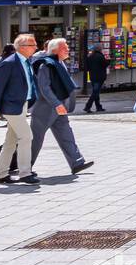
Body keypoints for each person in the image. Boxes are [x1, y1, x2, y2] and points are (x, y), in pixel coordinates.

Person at [27, 38, 92, 176]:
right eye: (65, 47)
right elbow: (44, 88)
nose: (68, 49)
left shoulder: (58, 63)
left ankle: (77, 163)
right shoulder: (46, 65)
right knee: (36, 139)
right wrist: (57, 104)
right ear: (55, 50)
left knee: (66, 134)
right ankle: (25, 167)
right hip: (45, 109)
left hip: (58, 107)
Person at [0, 33, 41, 184]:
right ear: (23, 47)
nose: (35, 47)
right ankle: (25, 173)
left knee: (10, 142)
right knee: (26, 137)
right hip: (11, 107)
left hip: (22, 105)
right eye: (33, 45)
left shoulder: (26, 61)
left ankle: (1, 174)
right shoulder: (9, 62)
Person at [83, 46, 109, 113]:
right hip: (100, 77)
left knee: (96, 92)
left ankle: (98, 107)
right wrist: (108, 60)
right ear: (99, 49)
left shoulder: (90, 56)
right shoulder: (100, 56)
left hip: (92, 76)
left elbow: (87, 67)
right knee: (95, 92)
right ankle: (87, 106)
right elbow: (105, 64)